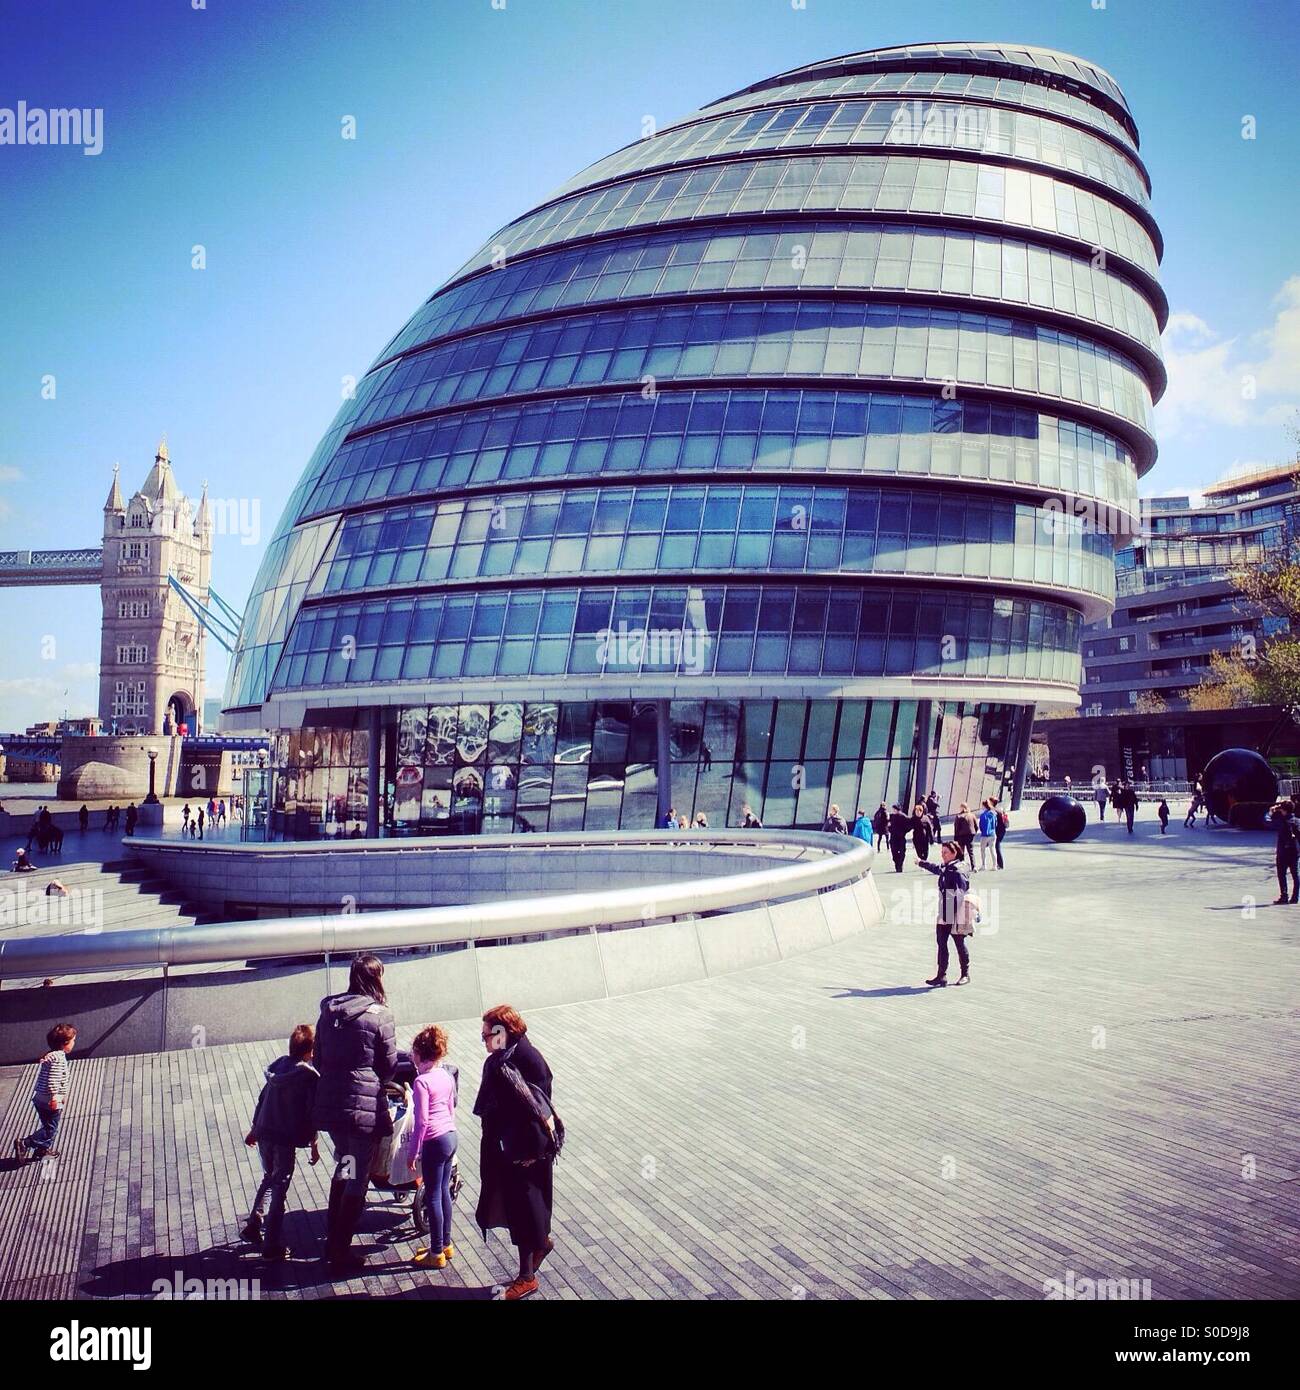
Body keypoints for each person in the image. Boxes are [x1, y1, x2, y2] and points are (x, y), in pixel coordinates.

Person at [312, 953, 398, 1273]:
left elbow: (318, 1057)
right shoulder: (380, 1016)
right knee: (358, 1178)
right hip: (363, 1108)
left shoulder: (329, 1009)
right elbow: (388, 1067)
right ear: (376, 979)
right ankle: (339, 1248)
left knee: (345, 1164)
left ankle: (332, 1237)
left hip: (331, 1104)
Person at [474, 1005, 560, 1302]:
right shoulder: (508, 1056)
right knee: (523, 1207)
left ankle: (526, 1278)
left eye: (486, 1034)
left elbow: (539, 1102)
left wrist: (527, 1148)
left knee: (523, 1210)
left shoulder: (522, 1058)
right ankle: (540, 1244)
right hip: (514, 1147)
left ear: (502, 1033)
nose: (483, 1039)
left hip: (525, 1150)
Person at [241, 1024, 321, 1261]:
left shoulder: (278, 1068)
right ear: (311, 1052)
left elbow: (262, 1099)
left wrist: (255, 1129)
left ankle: (254, 1223)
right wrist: (314, 1143)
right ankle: (272, 1246)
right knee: (280, 1188)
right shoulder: (308, 1078)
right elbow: (311, 1113)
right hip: (284, 1138)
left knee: (269, 1178)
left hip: (265, 1132)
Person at [408, 1025, 458, 1270]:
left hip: (434, 1141)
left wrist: (413, 1152)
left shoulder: (421, 1082)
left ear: (421, 1054)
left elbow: (422, 1121)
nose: (411, 1056)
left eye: (413, 1052)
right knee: (444, 1192)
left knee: (433, 1195)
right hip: (450, 1136)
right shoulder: (446, 1075)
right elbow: (450, 1108)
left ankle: (436, 1252)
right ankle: (445, 1243)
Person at [14, 1023, 76, 1161]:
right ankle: (24, 1143)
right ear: (65, 1043)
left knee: (47, 1125)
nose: (74, 1043)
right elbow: (53, 1079)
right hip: (49, 1100)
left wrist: (62, 1095)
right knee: (50, 1129)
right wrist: (55, 1097)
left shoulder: (52, 1055)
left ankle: (42, 1150)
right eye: (73, 1041)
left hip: (40, 1099)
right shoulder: (59, 1059)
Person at [916, 842, 971, 987]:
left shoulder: (957, 871)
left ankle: (965, 974)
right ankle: (941, 975)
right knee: (941, 943)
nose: (942, 854)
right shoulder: (949, 867)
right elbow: (937, 868)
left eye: (945, 852)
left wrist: (950, 917)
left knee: (959, 943)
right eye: (942, 851)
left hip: (955, 913)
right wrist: (921, 863)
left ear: (954, 853)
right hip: (945, 911)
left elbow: (959, 894)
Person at [1268, 799, 1300, 905]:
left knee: (1282, 874)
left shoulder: (1281, 822)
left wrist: (1271, 813)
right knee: (1295, 874)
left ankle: (1284, 896)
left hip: (1283, 852)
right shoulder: (1297, 821)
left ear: (1283, 810)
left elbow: (1268, 822)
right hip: (1295, 851)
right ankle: (1295, 897)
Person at [953, 803, 977, 873]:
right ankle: (974, 866)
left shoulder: (959, 816)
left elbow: (956, 827)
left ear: (963, 808)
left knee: (961, 852)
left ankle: (962, 866)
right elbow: (976, 825)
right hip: (970, 835)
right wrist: (974, 832)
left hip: (961, 836)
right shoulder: (972, 815)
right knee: (971, 852)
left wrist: (956, 837)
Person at [886, 804, 910, 873]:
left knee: (902, 852)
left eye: (894, 809)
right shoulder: (892, 816)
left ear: (897, 809)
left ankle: (900, 865)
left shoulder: (903, 816)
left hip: (901, 837)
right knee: (894, 852)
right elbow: (889, 825)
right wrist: (889, 827)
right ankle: (897, 865)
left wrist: (904, 832)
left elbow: (909, 824)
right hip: (893, 837)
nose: (893, 811)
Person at [976, 799, 998, 870]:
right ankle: (994, 865)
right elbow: (995, 824)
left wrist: (983, 831)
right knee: (992, 849)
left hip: (984, 835)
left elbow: (981, 826)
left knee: (983, 850)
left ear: (984, 806)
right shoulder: (993, 814)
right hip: (992, 834)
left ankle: (984, 865)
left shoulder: (983, 815)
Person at [991, 796, 1009, 869]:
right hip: (1002, 830)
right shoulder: (1000, 810)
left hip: (998, 830)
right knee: (996, 846)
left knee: (997, 846)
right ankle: (999, 864)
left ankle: (1000, 864)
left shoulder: (994, 811)